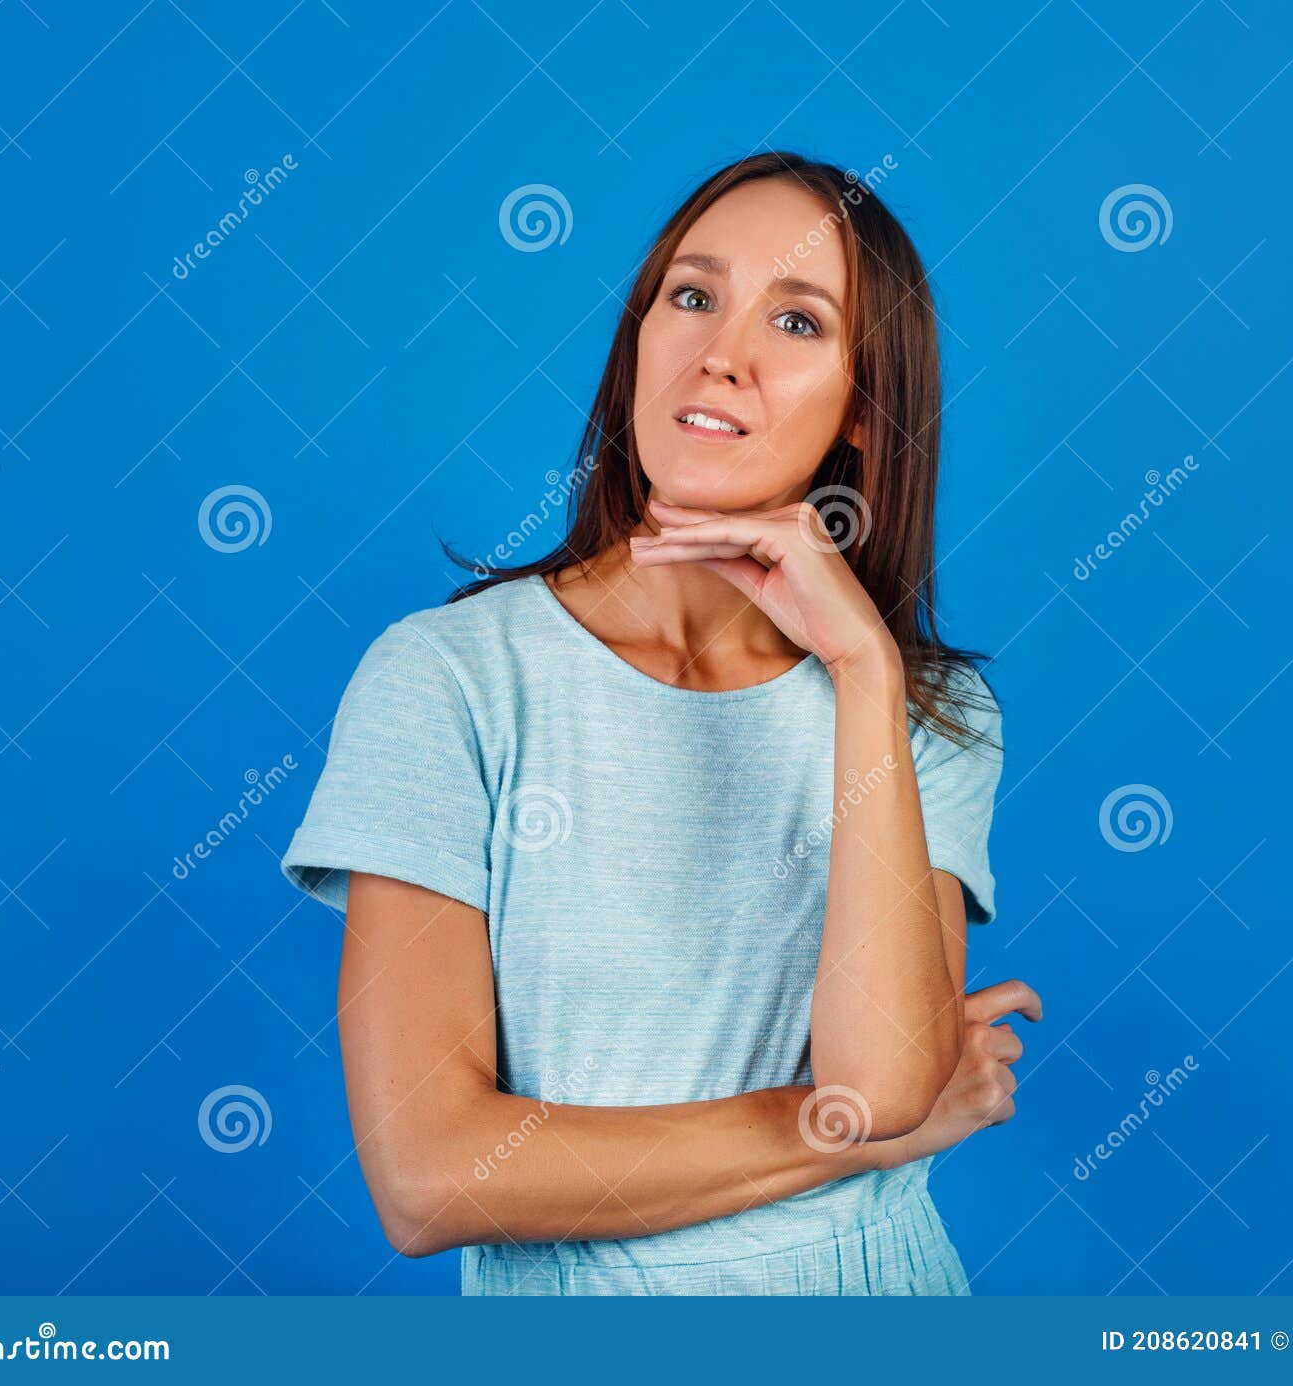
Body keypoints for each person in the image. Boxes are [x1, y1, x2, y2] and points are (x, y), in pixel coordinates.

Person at [281, 151, 1042, 1295]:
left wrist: (859, 667)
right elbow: (431, 1175)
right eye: (692, 296)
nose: (721, 353)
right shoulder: (447, 681)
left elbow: (884, 1078)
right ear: (638, 344)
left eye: (796, 321)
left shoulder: (924, 708)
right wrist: (847, 1131)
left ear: (861, 422)